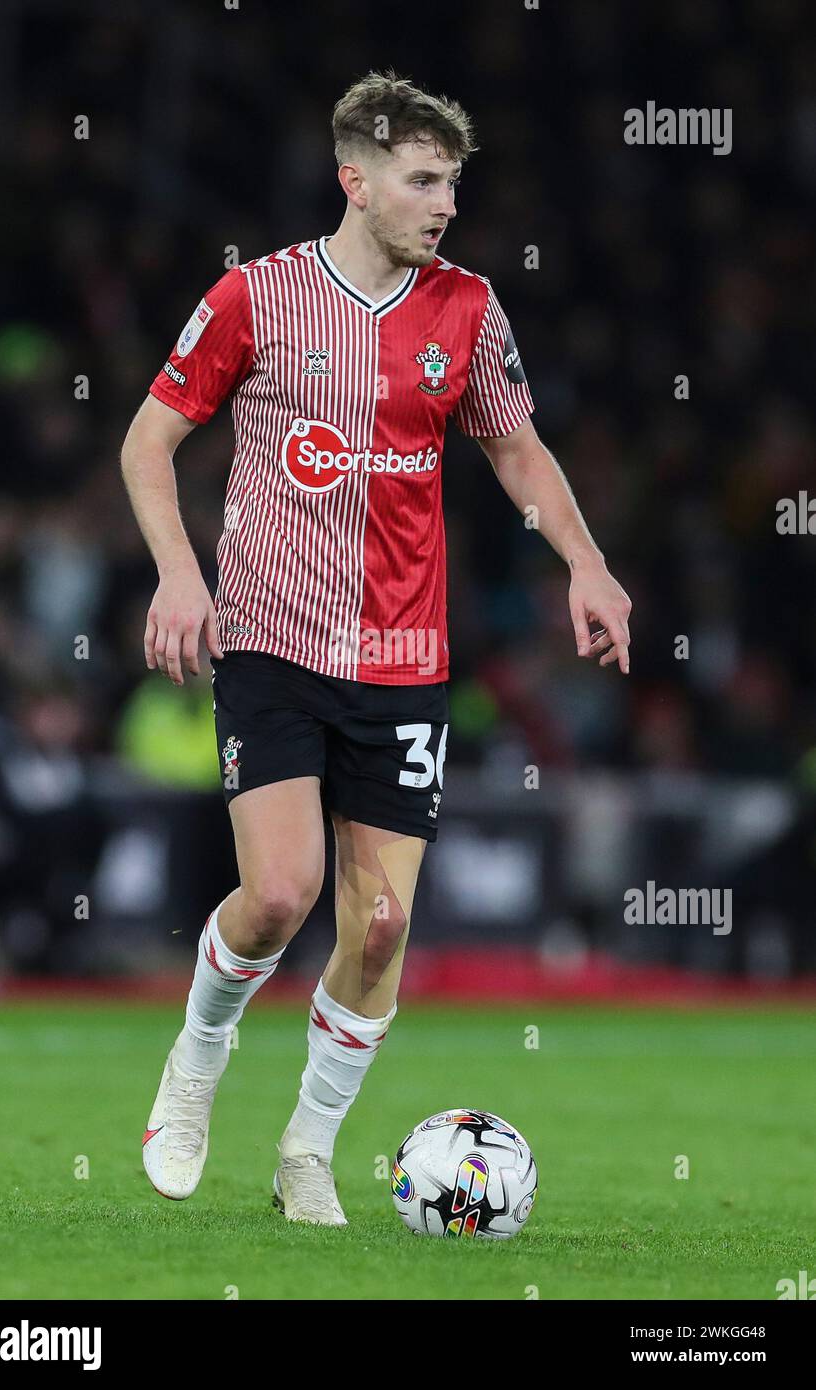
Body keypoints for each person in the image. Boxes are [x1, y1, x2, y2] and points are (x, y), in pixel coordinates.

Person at [120, 70, 632, 1225]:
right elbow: (147, 442)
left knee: (384, 922)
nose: (444, 202)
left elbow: (516, 452)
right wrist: (177, 571)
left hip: (405, 657)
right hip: (270, 638)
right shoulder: (254, 296)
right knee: (278, 893)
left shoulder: (467, 308)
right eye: (422, 180)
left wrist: (585, 562)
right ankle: (197, 1058)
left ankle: (306, 1148)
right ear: (354, 181)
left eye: (452, 181)